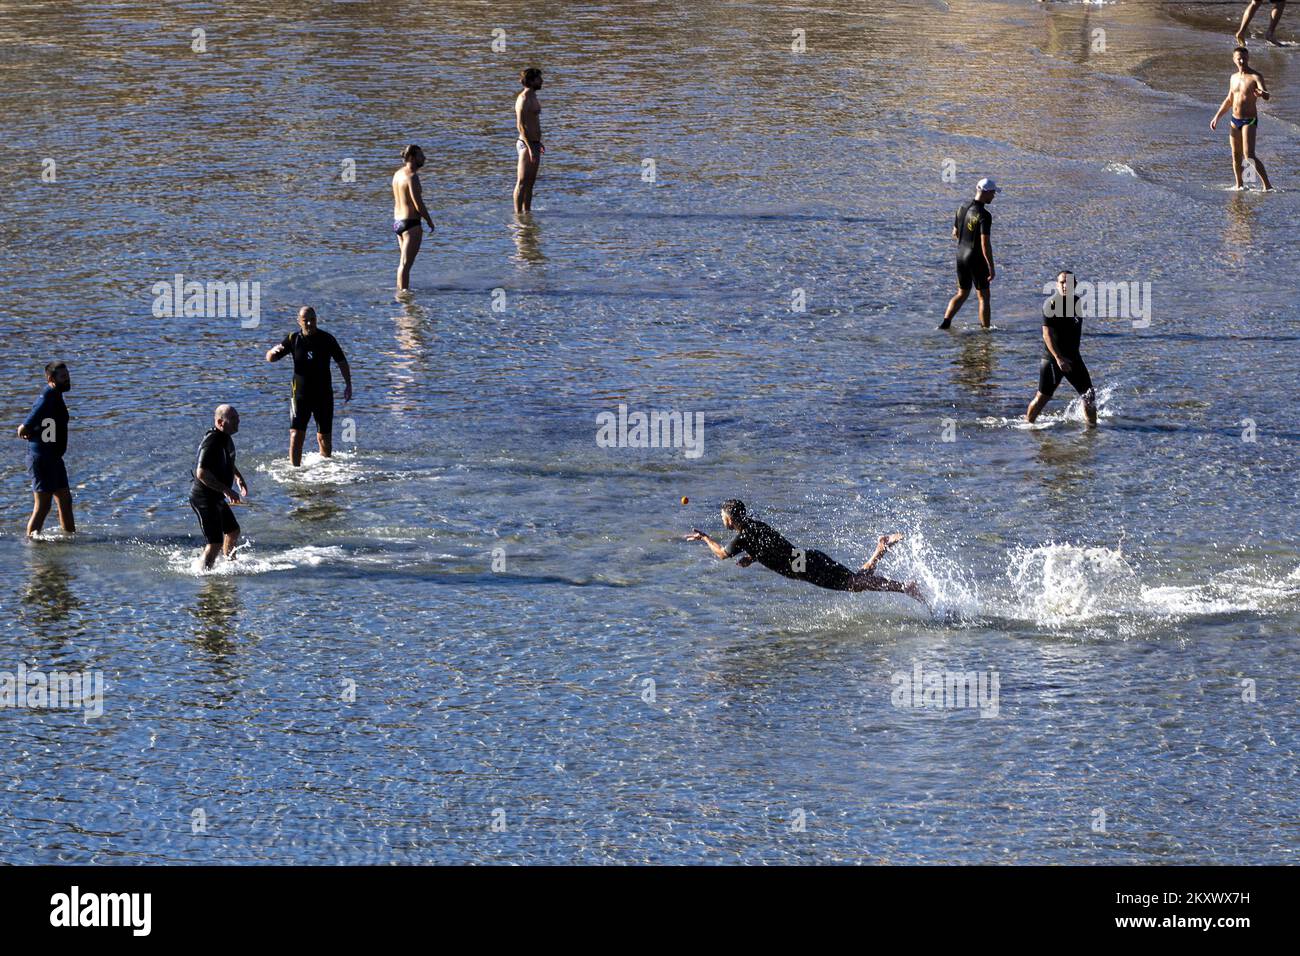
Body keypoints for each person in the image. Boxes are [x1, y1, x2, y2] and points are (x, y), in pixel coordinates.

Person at [685, 499, 925, 604]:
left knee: (854, 584)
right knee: (854, 582)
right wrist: (753, 557)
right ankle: (881, 549)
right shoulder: (756, 526)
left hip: (805, 568)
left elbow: (721, 554)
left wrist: (705, 538)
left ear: (730, 519)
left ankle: (905, 587)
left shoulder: (742, 537)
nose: (722, 519)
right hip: (807, 558)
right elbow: (772, 545)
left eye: (723, 517)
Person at [265, 306, 352, 466]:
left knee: (324, 437)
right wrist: (271, 352)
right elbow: (271, 358)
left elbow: (342, 362)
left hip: (323, 394)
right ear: (299, 321)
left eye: (313, 319)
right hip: (300, 395)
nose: (310, 323)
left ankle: (325, 469)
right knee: (296, 435)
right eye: (306, 320)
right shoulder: (293, 339)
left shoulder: (327, 339)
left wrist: (348, 385)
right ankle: (295, 471)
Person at [1026, 270, 1097, 427]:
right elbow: (1047, 335)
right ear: (1057, 284)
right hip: (1053, 359)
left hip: (1074, 358)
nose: (1065, 285)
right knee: (1043, 397)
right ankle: (1028, 424)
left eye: (1068, 282)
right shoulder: (1051, 305)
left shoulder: (1077, 302)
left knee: (1089, 395)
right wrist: (1058, 358)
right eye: (1062, 282)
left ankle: (1092, 431)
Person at [15, 361, 75, 538]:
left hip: (54, 458)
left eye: (68, 375)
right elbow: (26, 424)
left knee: (65, 500)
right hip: (42, 458)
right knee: (43, 505)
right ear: (51, 378)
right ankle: (31, 546)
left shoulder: (55, 394)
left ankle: (69, 539)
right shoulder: (48, 395)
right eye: (63, 377)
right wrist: (25, 429)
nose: (68, 380)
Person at [190, 405, 246, 570]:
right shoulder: (212, 441)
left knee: (233, 531)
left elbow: (228, 461)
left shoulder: (225, 437)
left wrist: (238, 477)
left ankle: (230, 564)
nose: (238, 421)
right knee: (214, 543)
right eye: (234, 419)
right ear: (221, 422)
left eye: (238, 417)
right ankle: (205, 575)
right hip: (203, 499)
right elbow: (201, 473)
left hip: (216, 497)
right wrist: (227, 490)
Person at [1210, 47, 1274, 191]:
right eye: (1239, 58)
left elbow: (1267, 95)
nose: (1242, 61)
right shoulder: (1233, 77)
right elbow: (1229, 99)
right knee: (1236, 154)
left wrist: (1261, 94)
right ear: (1234, 59)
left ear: (1248, 58)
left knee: (1249, 154)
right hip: (1234, 119)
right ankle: (1240, 185)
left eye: (1244, 58)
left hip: (1249, 120)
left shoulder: (1255, 76)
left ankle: (1267, 186)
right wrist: (1216, 118)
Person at [939, 178, 998, 330]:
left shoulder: (962, 207)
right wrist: (991, 267)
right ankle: (986, 331)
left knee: (962, 293)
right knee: (984, 297)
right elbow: (985, 243)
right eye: (993, 193)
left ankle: (945, 323)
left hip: (960, 256)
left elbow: (955, 233)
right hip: (975, 258)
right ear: (985, 192)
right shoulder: (985, 215)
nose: (994, 196)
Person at [391, 144, 436, 291]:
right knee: (405, 264)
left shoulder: (397, 174)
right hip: (411, 223)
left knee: (402, 263)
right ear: (412, 157)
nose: (424, 158)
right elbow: (418, 204)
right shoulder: (412, 177)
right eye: (420, 156)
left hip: (397, 223)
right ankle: (403, 296)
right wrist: (429, 220)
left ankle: (401, 291)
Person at [514, 68, 545, 213]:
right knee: (522, 182)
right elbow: (520, 125)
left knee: (530, 183)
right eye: (539, 78)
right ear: (532, 81)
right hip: (526, 144)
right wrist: (530, 147)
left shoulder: (534, 96)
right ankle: (518, 214)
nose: (542, 81)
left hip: (535, 143)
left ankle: (527, 213)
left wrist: (538, 142)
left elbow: (534, 121)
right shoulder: (524, 98)